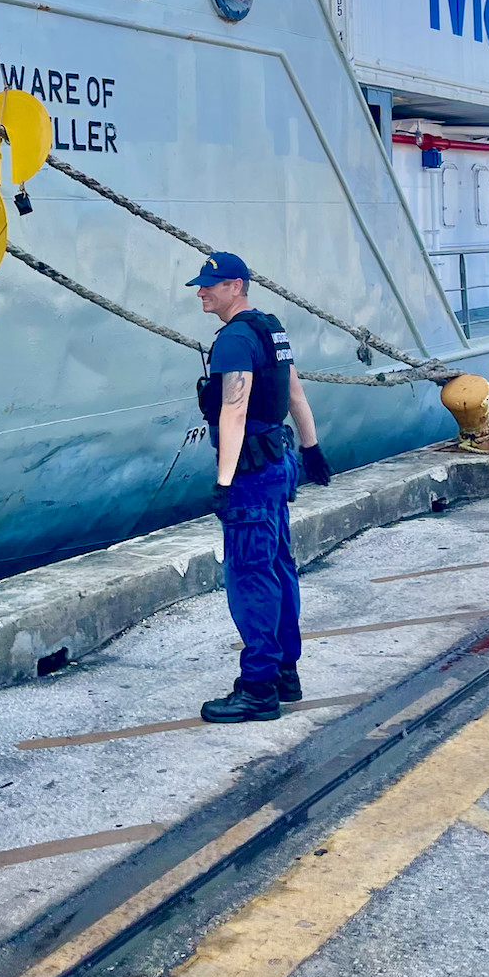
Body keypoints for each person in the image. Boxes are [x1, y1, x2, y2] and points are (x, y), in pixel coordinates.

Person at [187, 251, 332, 724]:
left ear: (236, 286)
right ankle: (285, 672)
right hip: (278, 461)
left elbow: (233, 411)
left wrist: (224, 482)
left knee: (250, 576)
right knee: (278, 566)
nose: (201, 291)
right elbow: (295, 394)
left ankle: (258, 688)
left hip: (250, 473)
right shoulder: (271, 329)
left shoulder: (233, 340)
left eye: (210, 284)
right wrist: (311, 448)